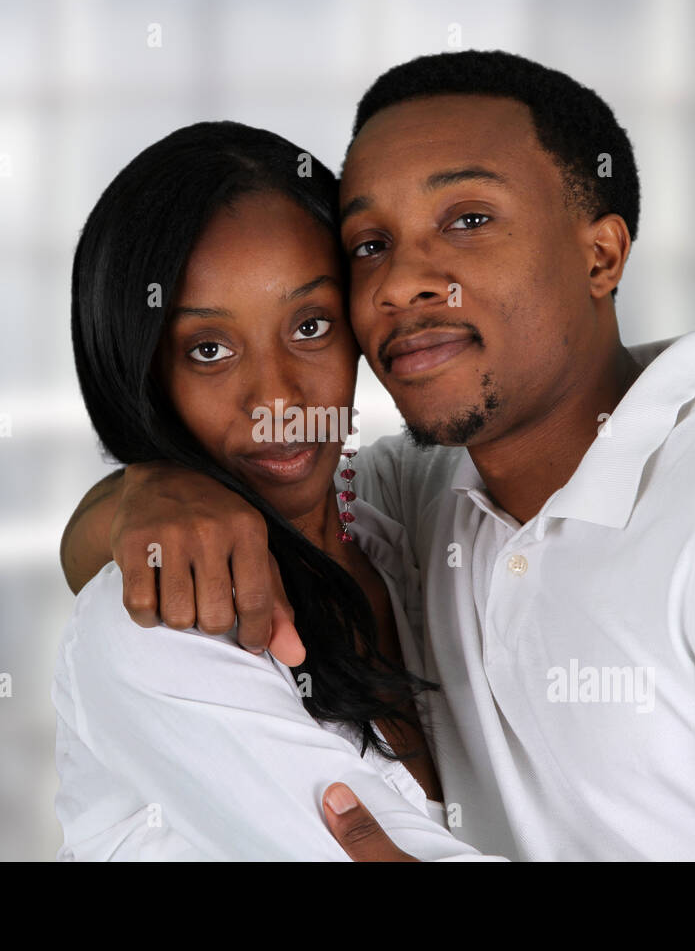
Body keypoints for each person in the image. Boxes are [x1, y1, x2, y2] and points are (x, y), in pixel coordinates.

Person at [62, 50, 695, 861]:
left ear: (601, 253)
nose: (407, 279)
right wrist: (146, 493)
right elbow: (123, 559)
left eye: (468, 218)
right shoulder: (419, 503)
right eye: (371, 244)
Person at [53, 119, 506, 860]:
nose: (278, 400)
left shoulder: (403, 527)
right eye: (209, 349)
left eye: (310, 326)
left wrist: (137, 491)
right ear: (140, 373)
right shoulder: (159, 626)